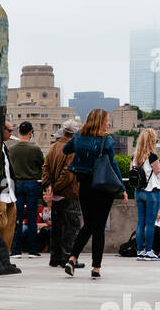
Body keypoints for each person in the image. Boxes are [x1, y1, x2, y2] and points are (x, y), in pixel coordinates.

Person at [63, 108, 127, 279]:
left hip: (84, 187)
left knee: (88, 225)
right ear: (100, 122)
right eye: (107, 120)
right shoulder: (106, 141)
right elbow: (113, 165)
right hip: (102, 187)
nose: (109, 123)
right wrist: (122, 188)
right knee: (98, 228)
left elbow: (66, 150)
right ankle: (96, 268)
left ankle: (72, 258)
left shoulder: (78, 137)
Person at [44, 119, 83, 272]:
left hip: (55, 196)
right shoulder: (72, 149)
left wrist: (49, 186)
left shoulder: (53, 147)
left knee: (57, 228)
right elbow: (68, 173)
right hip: (69, 194)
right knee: (71, 228)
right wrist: (56, 187)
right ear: (74, 134)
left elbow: (45, 167)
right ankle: (68, 259)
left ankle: (55, 258)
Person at [7, 121, 45, 258]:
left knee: (17, 217)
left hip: (17, 185)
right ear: (30, 133)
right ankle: (32, 250)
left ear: (18, 132)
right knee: (31, 216)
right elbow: (43, 166)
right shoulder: (35, 149)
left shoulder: (11, 149)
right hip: (32, 184)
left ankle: (16, 249)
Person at [130, 130, 160, 261]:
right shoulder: (152, 156)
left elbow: (132, 173)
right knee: (150, 223)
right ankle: (149, 251)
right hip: (151, 192)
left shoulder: (134, 157)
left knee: (141, 222)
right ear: (151, 140)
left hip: (138, 192)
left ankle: (140, 251)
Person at [0, 122, 17, 254]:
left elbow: (8, 170)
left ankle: (5, 255)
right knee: (0, 223)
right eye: (9, 131)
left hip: (9, 188)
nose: (11, 133)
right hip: (1, 189)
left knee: (10, 226)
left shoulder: (4, 147)